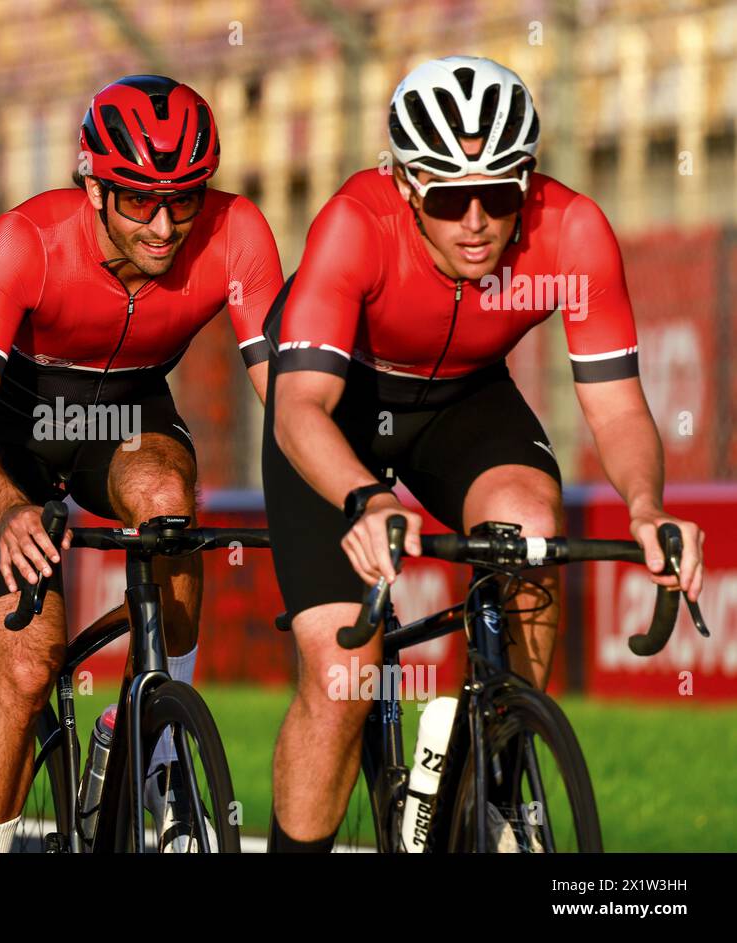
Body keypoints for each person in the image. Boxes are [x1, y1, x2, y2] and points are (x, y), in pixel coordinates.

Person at [262, 56, 705, 852]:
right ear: (404, 186)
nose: (475, 221)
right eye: (447, 196)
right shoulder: (353, 224)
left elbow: (616, 405)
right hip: (341, 406)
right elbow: (298, 408)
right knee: (340, 675)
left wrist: (645, 505)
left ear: (527, 183)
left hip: (465, 397)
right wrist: (366, 499)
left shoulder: (572, 231)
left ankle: (485, 778)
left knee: (531, 532)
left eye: (498, 195)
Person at [0, 74, 284, 852]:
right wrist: (7, 506)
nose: (164, 226)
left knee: (167, 503)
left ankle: (147, 729)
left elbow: (293, 397)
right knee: (26, 667)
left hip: (125, 415)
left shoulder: (237, 234)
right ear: (92, 184)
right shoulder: (29, 240)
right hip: (12, 434)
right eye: (138, 200)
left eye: (185, 199)